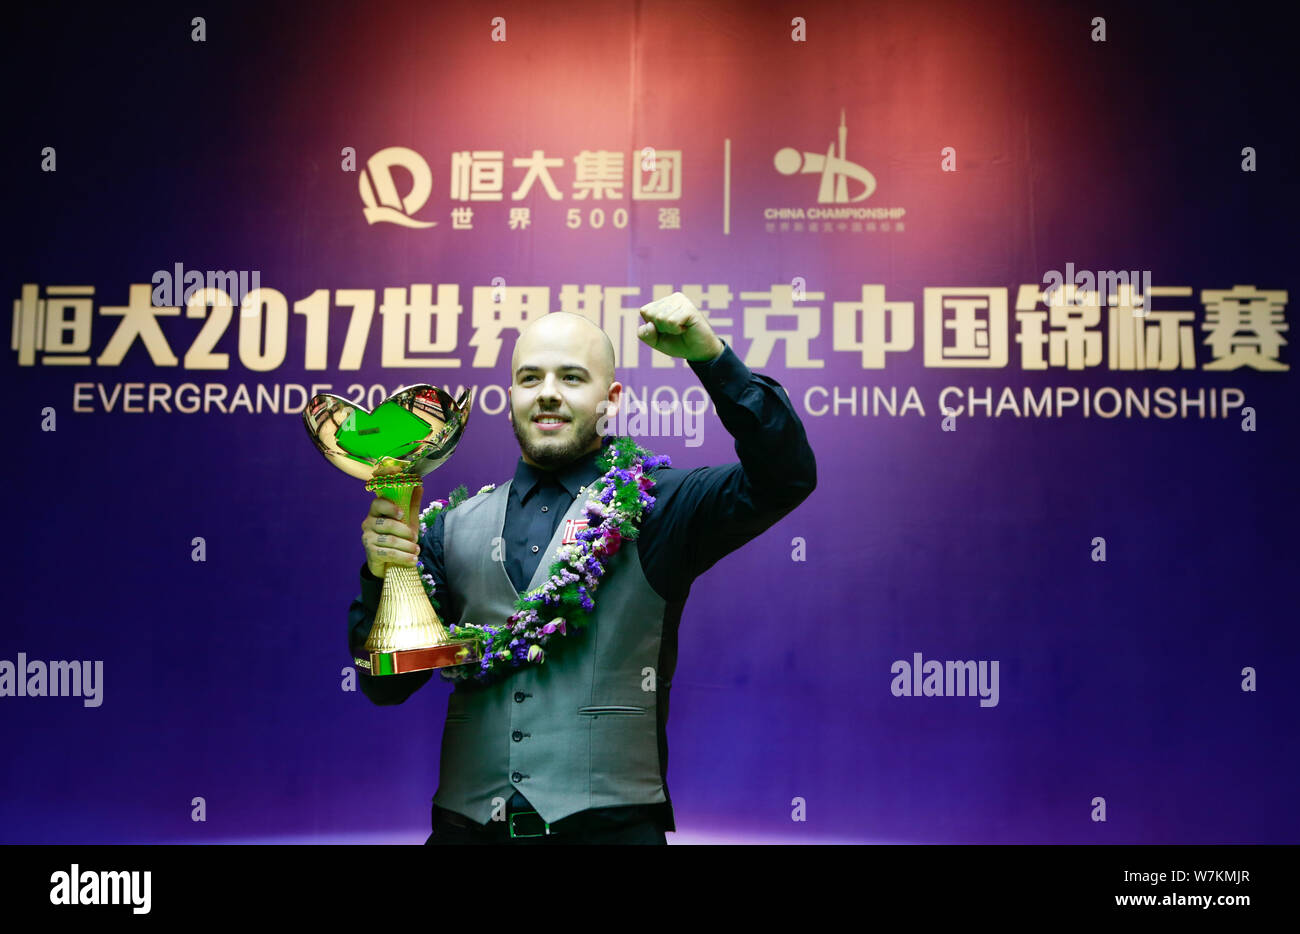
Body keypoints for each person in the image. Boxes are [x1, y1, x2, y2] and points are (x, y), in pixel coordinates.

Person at [347, 292, 816, 844]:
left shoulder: (662, 506)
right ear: (510, 397)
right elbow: (387, 686)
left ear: (610, 399)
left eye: (572, 377)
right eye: (530, 378)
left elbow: (786, 476)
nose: (548, 393)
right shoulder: (447, 528)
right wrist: (384, 572)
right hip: (464, 832)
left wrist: (711, 357)